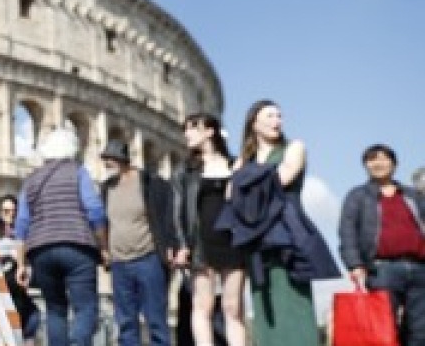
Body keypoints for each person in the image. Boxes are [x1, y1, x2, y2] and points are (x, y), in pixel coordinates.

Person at [219, 99, 338, 346]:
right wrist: (248, 176)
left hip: (288, 231)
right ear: (254, 123)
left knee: (295, 301)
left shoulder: (295, 146)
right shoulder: (245, 158)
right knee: (265, 302)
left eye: (279, 116)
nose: (277, 121)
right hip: (257, 236)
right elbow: (229, 194)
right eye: (270, 116)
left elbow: (284, 177)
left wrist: (245, 179)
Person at [13, 127, 108, 346]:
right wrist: (103, 246)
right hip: (77, 245)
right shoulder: (78, 171)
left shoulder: (31, 180)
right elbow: (94, 209)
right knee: (85, 308)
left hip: (41, 250)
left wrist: (20, 264)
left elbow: (22, 224)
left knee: (55, 310)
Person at [338, 144, 425, 346]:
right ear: (366, 165)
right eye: (372, 159)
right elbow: (347, 230)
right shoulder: (358, 196)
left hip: (420, 268)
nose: (379, 163)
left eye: (384, 158)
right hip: (382, 269)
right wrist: (355, 265)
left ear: (394, 164)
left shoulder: (413, 195)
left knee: (420, 330)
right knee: (382, 328)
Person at [171, 113, 246, 346]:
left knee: (233, 308)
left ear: (210, 131)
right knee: (203, 306)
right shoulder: (184, 170)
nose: (187, 134)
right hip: (201, 242)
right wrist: (182, 244)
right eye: (185, 130)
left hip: (233, 241)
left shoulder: (235, 165)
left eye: (193, 128)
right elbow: (178, 210)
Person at [100, 140, 176, 346]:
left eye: (110, 159)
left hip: (148, 258)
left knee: (156, 320)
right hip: (119, 262)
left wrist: (171, 245)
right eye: (105, 159)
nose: (107, 163)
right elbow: (105, 223)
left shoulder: (151, 182)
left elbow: (167, 215)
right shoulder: (107, 187)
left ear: (123, 159)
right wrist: (104, 249)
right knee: (125, 323)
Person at [0, 194, 39, 345]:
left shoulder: (25, 235)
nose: (10, 215)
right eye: (6, 211)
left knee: (30, 318)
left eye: (14, 211)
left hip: (20, 287)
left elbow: (30, 262)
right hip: (2, 288)